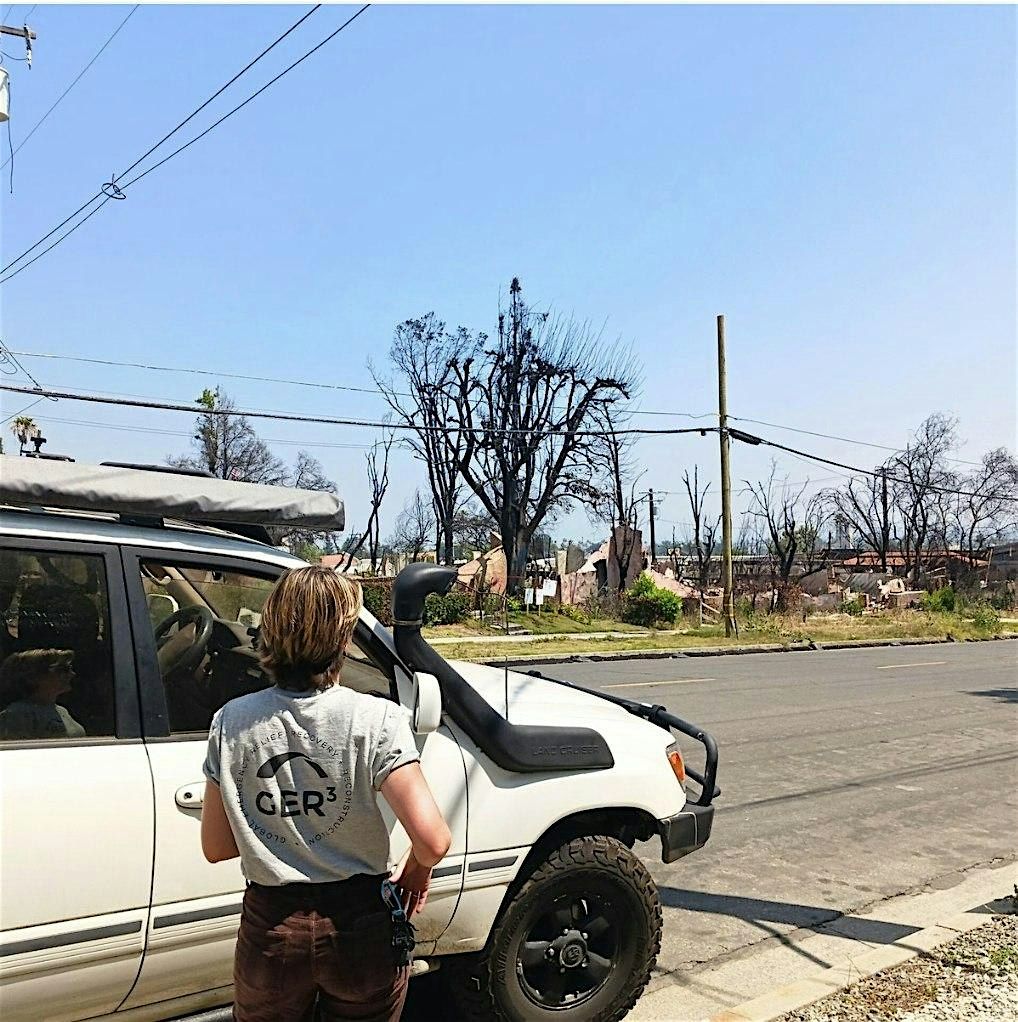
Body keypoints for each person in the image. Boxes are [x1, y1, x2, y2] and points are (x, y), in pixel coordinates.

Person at [199, 566, 451, 1022]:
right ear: (343, 639)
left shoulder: (230, 723)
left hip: (271, 932)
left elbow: (216, 847)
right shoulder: (377, 719)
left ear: (271, 630)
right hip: (361, 928)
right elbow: (433, 841)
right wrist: (415, 871)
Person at [0, 649, 86, 740]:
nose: (72, 674)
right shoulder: (17, 714)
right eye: (62, 669)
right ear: (33, 677)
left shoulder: (62, 711)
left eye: (70, 668)